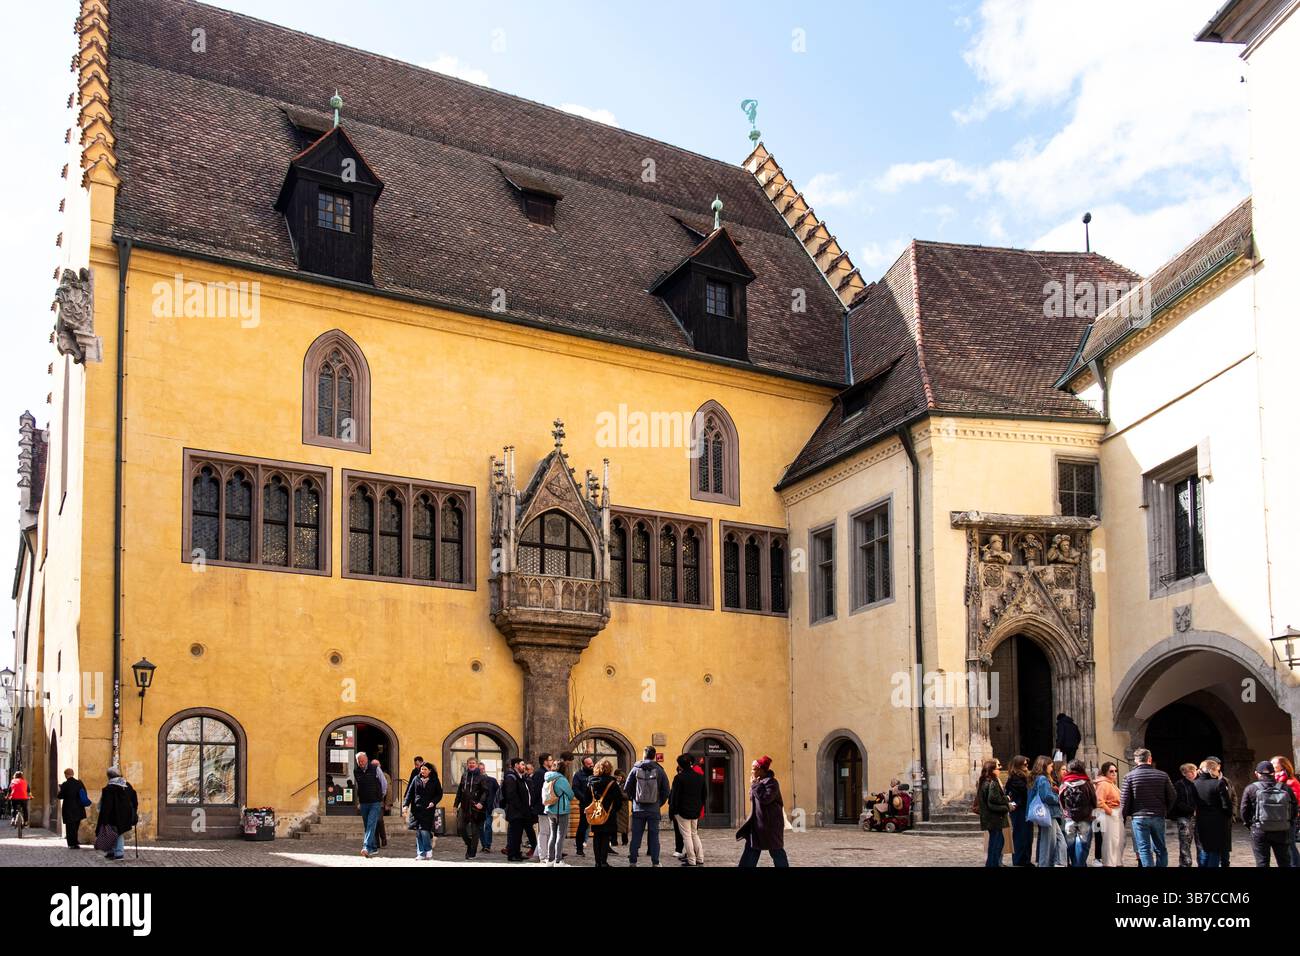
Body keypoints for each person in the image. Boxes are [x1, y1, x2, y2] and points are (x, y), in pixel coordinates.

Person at [1120, 748, 1175, 867]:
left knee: (1144, 849)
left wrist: (1123, 818)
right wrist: (1165, 810)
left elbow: (1124, 801)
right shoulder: (1162, 775)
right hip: (1158, 815)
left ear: (1135, 760)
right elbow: (1173, 796)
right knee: (1161, 847)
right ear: (1150, 759)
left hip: (1139, 817)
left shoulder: (1129, 776)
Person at [1241, 759, 1297, 867]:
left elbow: (1244, 811)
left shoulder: (1251, 788)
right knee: (1284, 862)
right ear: (1273, 773)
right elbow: (1294, 809)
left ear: (1257, 773)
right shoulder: (1285, 788)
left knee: (1262, 862)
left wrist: (1250, 825)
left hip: (1260, 830)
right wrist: (1288, 823)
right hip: (1282, 830)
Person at [624, 745, 671, 867]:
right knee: (654, 836)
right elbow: (666, 790)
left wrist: (634, 800)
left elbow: (626, 788)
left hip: (638, 809)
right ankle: (655, 862)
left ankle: (633, 861)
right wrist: (658, 803)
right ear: (654, 756)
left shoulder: (635, 769)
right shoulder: (660, 770)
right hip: (654, 809)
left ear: (644, 755)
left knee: (636, 836)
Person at [737, 755, 788, 867]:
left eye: (754, 769)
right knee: (751, 850)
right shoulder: (758, 781)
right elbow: (753, 798)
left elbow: (765, 798)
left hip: (770, 826)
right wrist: (755, 785)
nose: (751, 771)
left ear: (761, 770)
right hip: (757, 825)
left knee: (776, 851)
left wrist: (755, 785)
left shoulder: (772, 782)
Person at [1191, 758, 1232, 868]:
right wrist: (1228, 816)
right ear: (1212, 770)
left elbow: (1192, 803)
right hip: (1218, 820)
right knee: (1215, 850)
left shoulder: (1194, 784)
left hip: (1201, 819)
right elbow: (1226, 805)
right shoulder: (1218, 784)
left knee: (1204, 848)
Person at [1058, 758, 1097, 867]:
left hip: (1069, 819)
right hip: (1085, 818)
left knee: (1070, 845)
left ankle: (1076, 864)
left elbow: (1060, 800)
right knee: (1083, 845)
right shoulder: (1087, 783)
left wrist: (1066, 812)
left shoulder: (1064, 783)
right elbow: (1094, 800)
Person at [669, 753, 707, 866]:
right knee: (694, 834)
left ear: (680, 765)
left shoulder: (679, 777)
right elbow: (704, 795)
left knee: (686, 836)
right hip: (695, 810)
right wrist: (699, 807)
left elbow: (674, 796)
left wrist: (672, 812)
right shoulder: (699, 777)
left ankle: (691, 860)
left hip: (682, 811)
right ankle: (700, 858)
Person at [587, 759, 623, 867]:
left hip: (595, 814)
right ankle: (603, 862)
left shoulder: (591, 782)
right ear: (609, 769)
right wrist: (613, 810)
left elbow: (586, 798)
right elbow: (618, 801)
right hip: (608, 814)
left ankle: (597, 862)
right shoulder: (612, 783)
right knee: (605, 837)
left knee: (596, 837)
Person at [96, 767, 137, 861]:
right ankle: (114, 852)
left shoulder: (109, 788)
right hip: (125, 815)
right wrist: (133, 811)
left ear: (108, 776)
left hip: (112, 815)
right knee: (119, 831)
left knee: (113, 832)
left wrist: (104, 817)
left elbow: (106, 805)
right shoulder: (127, 786)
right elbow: (134, 800)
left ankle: (118, 852)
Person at [453, 757, 490, 859]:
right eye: (470, 763)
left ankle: (472, 852)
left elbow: (486, 792)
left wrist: (481, 803)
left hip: (476, 808)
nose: (471, 765)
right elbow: (460, 791)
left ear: (477, 764)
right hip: (464, 807)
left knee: (475, 832)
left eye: (473, 763)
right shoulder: (464, 776)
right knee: (461, 828)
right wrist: (456, 805)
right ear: (467, 764)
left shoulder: (482, 777)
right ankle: (469, 844)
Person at [404, 761, 442, 860]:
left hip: (428, 809)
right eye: (422, 769)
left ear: (430, 771)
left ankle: (428, 850)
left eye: (425, 769)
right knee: (418, 832)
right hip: (416, 809)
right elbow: (410, 793)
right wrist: (405, 805)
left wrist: (433, 802)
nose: (423, 771)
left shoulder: (435, 780)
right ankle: (421, 853)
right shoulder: (416, 779)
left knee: (425, 830)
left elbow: (439, 794)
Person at [976, 759, 1010, 867]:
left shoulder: (985, 781)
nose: (1000, 769)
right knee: (997, 843)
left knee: (995, 842)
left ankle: (991, 864)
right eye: (997, 768)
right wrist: (1006, 803)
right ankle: (992, 864)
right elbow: (993, 800)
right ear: (991, 770)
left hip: (989, 818)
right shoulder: (992, 782)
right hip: (994, 818)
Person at [1029, 756, 1061, 867]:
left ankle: (1057, 862)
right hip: (1048, 813)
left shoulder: (1040, 778)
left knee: (1059, 841)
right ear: (1044, 766)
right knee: (1047, 844)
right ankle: (1044, 864)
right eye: (1051, 766)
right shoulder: (1042, 779)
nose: (1052, 769)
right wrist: (1058, 798)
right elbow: (1046, 796)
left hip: (1050, 813)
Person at [543, 756, 574, 865]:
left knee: (553, 835)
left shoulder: (547, 777)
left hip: (550, 809)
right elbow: (571, 795)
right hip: (561, 810)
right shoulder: (561, 779)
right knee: (560, 836)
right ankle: (558, 860)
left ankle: (550, 860)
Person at [354, 751, 385, 858]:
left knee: (371, 824)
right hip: (363, 802)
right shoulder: (356, 771)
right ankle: (374, 848)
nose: (361, 763)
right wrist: (358, 800)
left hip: (375, 802)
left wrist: (381, 796)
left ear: (366, 759)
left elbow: (384, 782)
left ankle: (366, 847)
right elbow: (358, 786)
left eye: (362, 760)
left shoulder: (375, 768)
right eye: (359, 761)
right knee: (367, 826)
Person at [1271, 755, 1300, 867]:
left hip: (1288, 818)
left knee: (1290, 845)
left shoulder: (1291, 782)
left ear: (1283, 765)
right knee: (1284, 846)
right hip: (1279, 818)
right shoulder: (1275, 781)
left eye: (1274, 763)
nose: (1272, 765)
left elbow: (1296, 802)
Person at [1094, 762, 1124, 867]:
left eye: (1115, 771)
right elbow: (1099, 801)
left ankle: (1116, 862)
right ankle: (1109, 863)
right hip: (1109, 814)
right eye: (1111, 771)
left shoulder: (1111, 783)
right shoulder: (1103, 783)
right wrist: (1111, 812)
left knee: (1118, 841)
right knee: (1110, 842)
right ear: (1105, 772)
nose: (1114, 773)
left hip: (1116, 813)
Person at [501, 757, 531, 862]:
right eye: (522, 764)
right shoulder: (511, 777)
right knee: (514, 834)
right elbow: (511, 795)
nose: (524, 766)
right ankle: (512, 855)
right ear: (516, 765)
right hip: (515, 811)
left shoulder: (520, 777)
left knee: (518, 834)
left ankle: (517, 853)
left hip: (521, 812)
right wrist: (521, 807)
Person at [1169, 763, 1199, 867]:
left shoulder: (1198, 783)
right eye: (1190, 771)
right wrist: (1192, 810)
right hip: (1184, 817)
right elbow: (1178, 802)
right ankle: (1185, 864)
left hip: (1199, 817)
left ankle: (1203, 863)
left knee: (1201, 844)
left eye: (1194, 771)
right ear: (1184, 773)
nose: (1193, 773)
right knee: (1185, 843)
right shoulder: (1179, 785)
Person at [1005, 756, 1032, 866]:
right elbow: (1025, 792)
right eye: (1024, 765)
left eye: (1027, 764)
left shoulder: (1024, 777)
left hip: (1025, 809)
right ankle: (1019, 860)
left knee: (1027, 836)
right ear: (1018, 766)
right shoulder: (1015, 778)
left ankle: (1026, 860)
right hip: (1019, 810)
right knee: (1020, 835)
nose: (1026, 767)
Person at [55, 768, 89, 849]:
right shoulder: (79, 783)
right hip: (78, 808)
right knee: (76, 826)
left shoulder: (65, 784)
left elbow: (60, 796)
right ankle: (75, 843)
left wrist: (60, 790)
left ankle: (71, 843)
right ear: (73, 774)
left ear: (66, 775)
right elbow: (84, 793)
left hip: (68, 809)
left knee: (70, 827)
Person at [571, 755, 595, 857]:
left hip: (597, 804)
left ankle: (606, 848)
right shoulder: (578, 775)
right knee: (583, 826)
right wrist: (584, 799)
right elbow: (575, 789)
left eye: (591, 763)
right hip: (585, 805)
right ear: (584, 764)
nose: (591, 765)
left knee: (600, 827)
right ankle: (579, 849)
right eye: (588, 764)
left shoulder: (596, 773)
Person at [530, 753, 552, 863]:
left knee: (546, 831)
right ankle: (541, 855)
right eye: (550, 760)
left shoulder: (545, 772)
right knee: (544, 832)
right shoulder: (540, 773)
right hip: (542, 806)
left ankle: (538, 853)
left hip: (545, 806)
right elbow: (536, 791)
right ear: (545, 761)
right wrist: (534, 805)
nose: (551, 761)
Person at [479, 764, 499, 853]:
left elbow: (498, 793)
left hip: (489, 807)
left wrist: (496, 805)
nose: (481, 771)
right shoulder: (476, 781)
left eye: (482, 769)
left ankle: (487, 845)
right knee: (480, 827)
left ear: (485, 769)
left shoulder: (492, 780)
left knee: (488, 825)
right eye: (480, 769)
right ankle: (484, 845)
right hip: (478, 807)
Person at [372, 758, 391, 849]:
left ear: (380, 766)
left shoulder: (385, 776)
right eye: (373, 765)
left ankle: (383, 838)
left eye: (377, 765)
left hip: (380, 802)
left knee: (379, 820)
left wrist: (388, 803)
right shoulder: (369, 775)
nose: (375, 767)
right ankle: (376, 842)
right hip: (370, 802)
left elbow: (389, 790)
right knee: (373, 822)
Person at [613, 769, 630, 850]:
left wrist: (619, 794)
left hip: (623, 807)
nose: (618, 778)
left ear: (622, 776)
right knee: (614, 824)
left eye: (619, 777)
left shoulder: (626, 784)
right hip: (615, 806)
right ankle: (614, 841)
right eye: (617, 777)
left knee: (623, 824)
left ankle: (625, 840)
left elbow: (628, 795)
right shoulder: (614, 783)